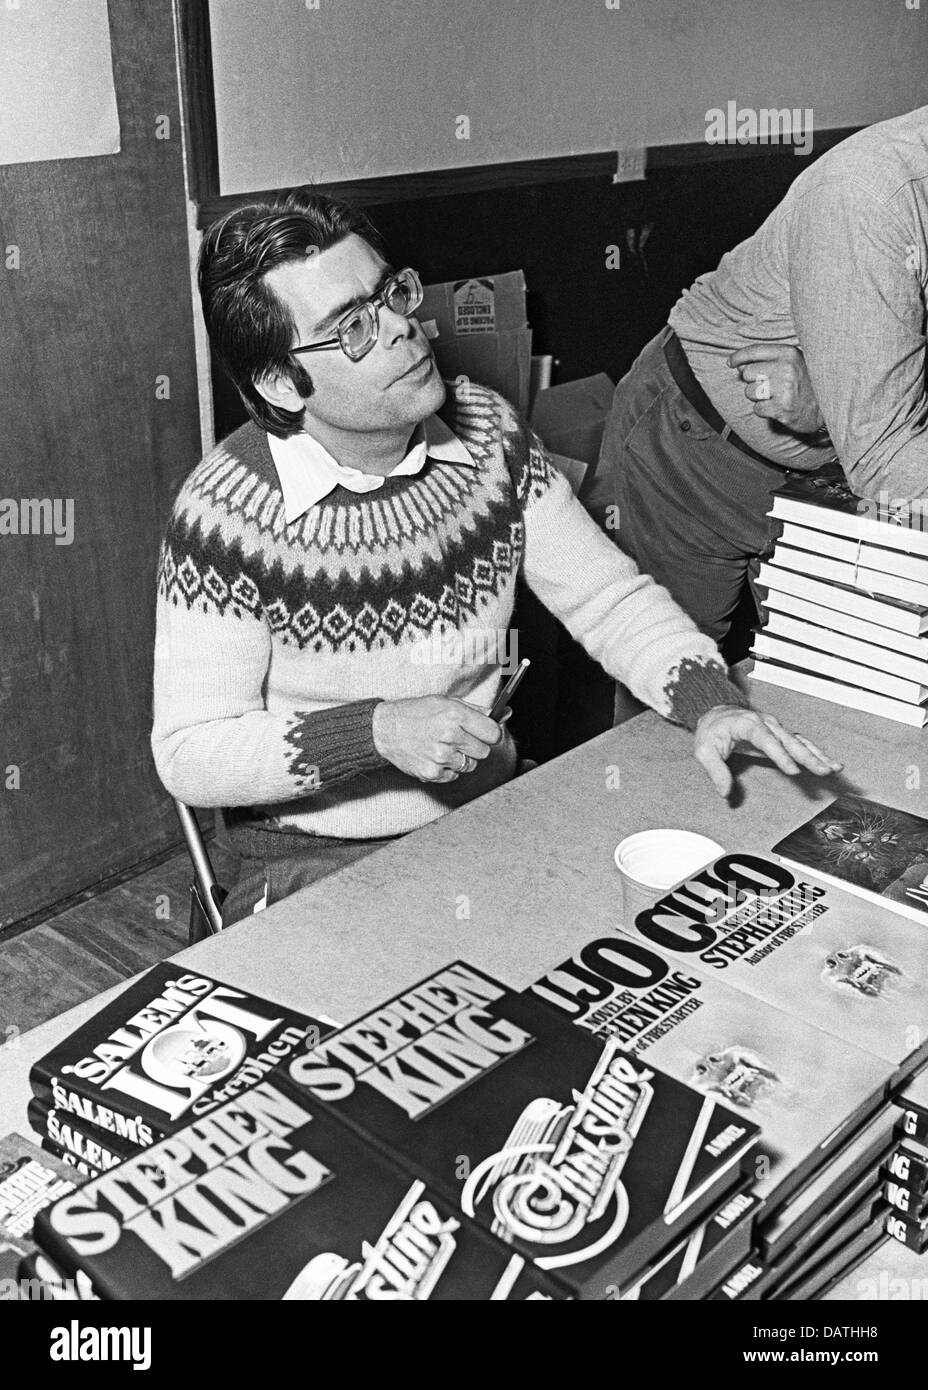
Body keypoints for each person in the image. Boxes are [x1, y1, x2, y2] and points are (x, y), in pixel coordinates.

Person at [151, 189, 840, 927]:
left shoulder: (487, 434)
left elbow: (607, 598)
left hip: (490, 805)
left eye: (392, 295)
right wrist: (375, 731)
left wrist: (709, 704)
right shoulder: (224, 515)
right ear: (282, 383)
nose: (403, 331)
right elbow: (192, 752)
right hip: (307, 858)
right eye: (353, 327)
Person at [598, 106, 928, 650]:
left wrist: (835, 407)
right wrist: (844, 415)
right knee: (677, 690)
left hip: (827, 473)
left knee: (831, 694)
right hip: (695, 449)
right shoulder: (868, 194)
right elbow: (887, 463)